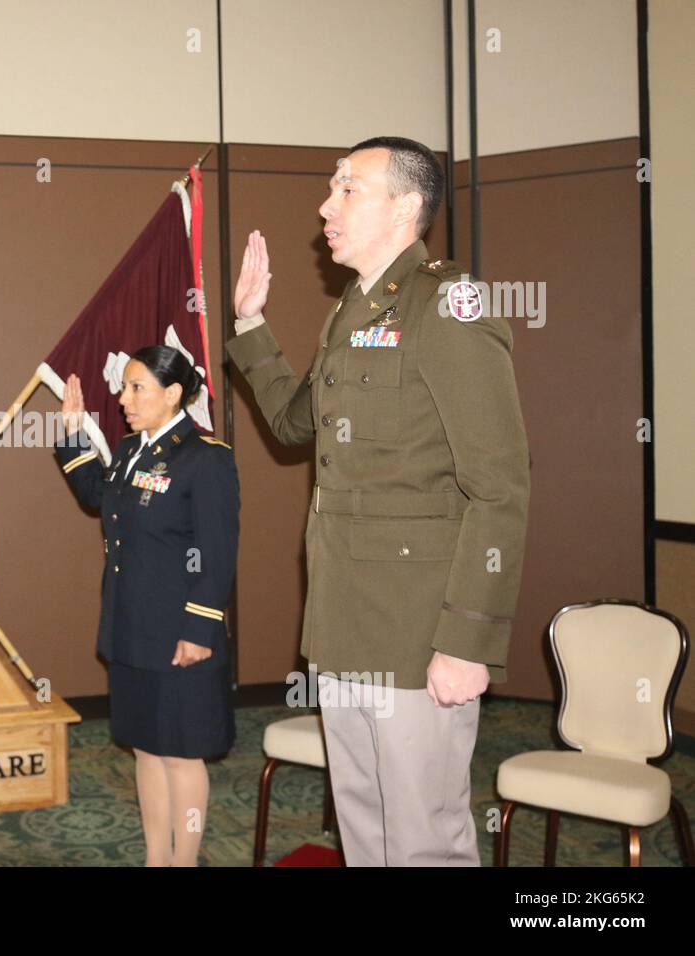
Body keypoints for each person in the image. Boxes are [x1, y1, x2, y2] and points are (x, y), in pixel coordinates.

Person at [225, 136, 531, 866]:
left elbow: (501, 485)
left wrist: (467, 641)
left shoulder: (447, 307)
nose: (325, 208)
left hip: (420, 634)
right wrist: (249, 324)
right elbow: (296, 424)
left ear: (406, 206)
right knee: (363, 829)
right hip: (344, 624)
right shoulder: (352, 311)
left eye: (348, 189)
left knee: (425, 840)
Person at [54, 345, 240, 866]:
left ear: (173, 393)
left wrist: (200, 631)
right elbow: (97, 494)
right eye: (124, 387)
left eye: (137, 388)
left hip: (181, 636)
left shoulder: (206, 458)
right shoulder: (134, 450)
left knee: (182, 756)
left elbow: (218, 552)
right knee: (146, 748)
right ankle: (158, 860)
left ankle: (185, 862)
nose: (123, 398)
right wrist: (72, 433)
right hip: (132, 629)